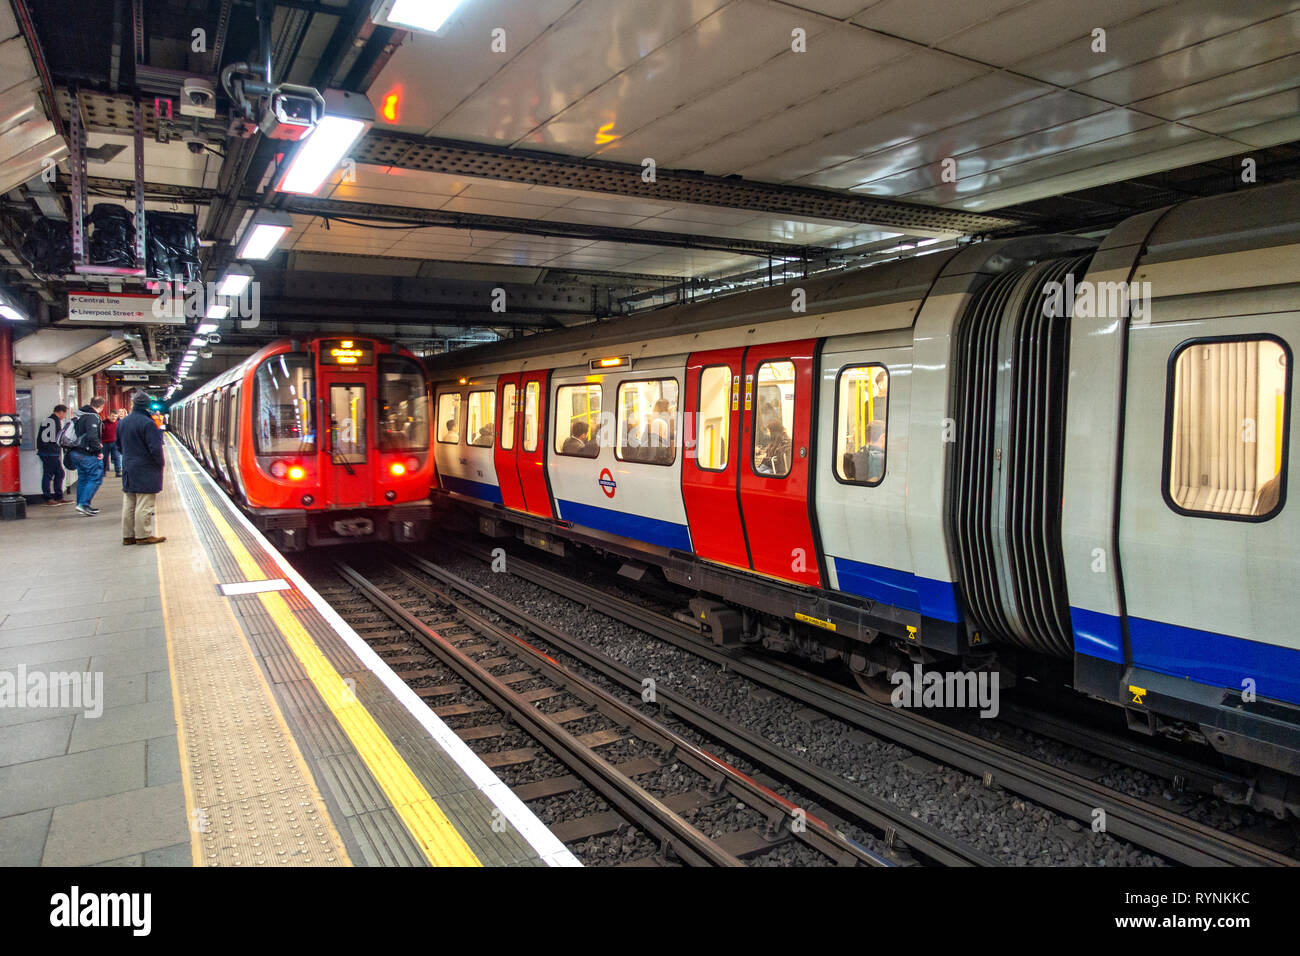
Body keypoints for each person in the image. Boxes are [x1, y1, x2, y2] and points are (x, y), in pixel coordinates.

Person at [117, 392, 166, 545]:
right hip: (146, 467)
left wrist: (130, 457)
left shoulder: (123, 422)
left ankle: (128, 536)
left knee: (129, 503)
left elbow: (118, 445)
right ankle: (143, 535)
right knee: (144, 504)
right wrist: (160, 464)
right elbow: (155, 449)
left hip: (128, 466)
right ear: (147, 406)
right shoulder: (148, 423)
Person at [69, 396, 107, 516]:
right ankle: (83, 504)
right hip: (86, 454)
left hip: (76, 452)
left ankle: (82, 505)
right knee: (95, 478)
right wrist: (98, 451)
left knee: (83, 479)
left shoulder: (81, 415)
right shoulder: (92, 417)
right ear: (101, 406)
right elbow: (92, 437)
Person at [36, 404, 69, 505]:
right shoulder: (54, 421)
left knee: (58, 473)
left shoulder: (48, 420)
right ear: (60, 412)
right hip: (50, 452)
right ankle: (48, 498)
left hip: (47, 452)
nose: (65, 416)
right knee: (49, 474)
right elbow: (56, 438)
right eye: (65, 414)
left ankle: (57, 496)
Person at [102, 408, 122, 478]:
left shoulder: (119, 423)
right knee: (104, 458)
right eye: (112, 416)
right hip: (105, 443)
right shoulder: (103, 423)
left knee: (117, 457)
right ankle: (103, 472)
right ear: (109, 416)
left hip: (115, 443)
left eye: (116, 416)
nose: (114, 418)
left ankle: (118, 472)